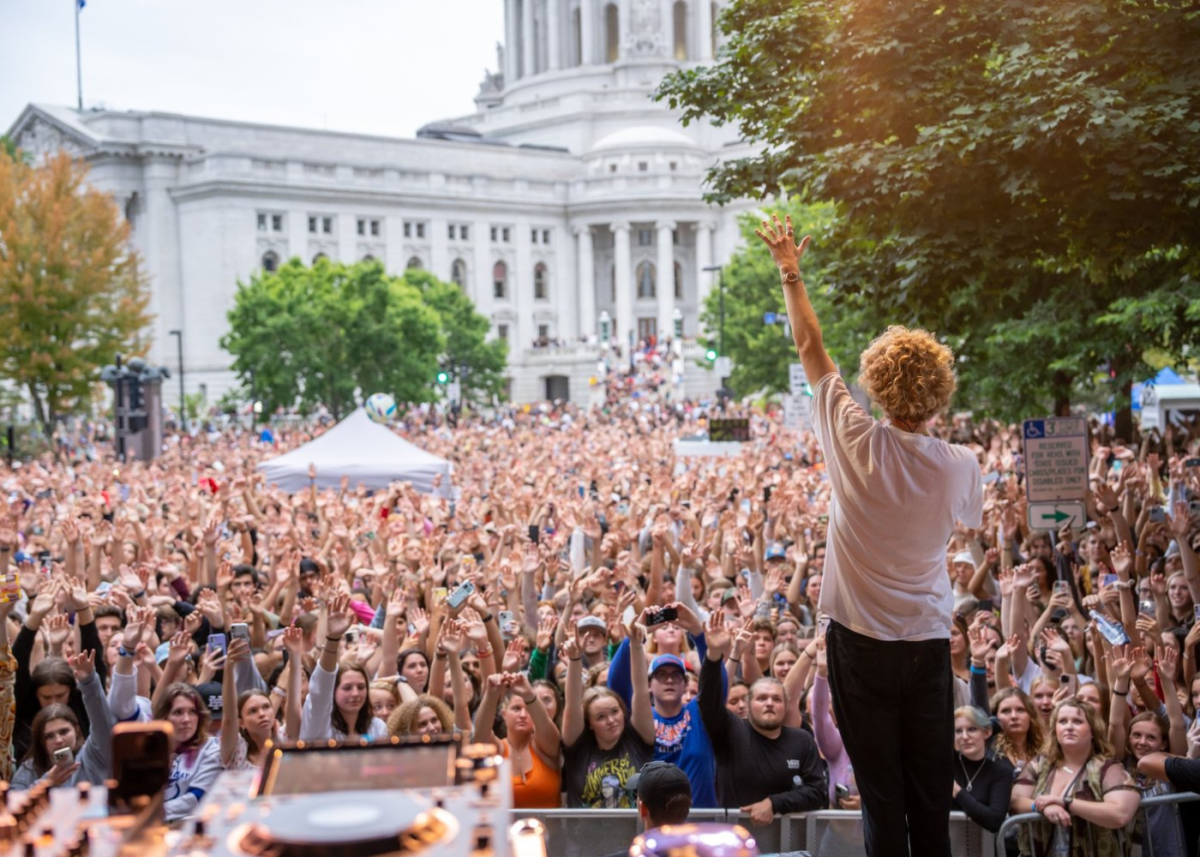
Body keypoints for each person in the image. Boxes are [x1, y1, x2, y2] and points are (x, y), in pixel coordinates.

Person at [757, 214, 982, 856]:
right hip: (929, 639)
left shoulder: (853, 437)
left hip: (858, 643)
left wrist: (789, 270)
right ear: (939, 397)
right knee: (927, 799)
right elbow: (967, 526)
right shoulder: (963, 464)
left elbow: (809, 345)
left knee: (880, 800)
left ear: (876, 385)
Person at [698, 612, 826, 823]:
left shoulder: (802, 740)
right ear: (748, 705)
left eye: (776, 699)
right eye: (762, 698)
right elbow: (708, 702)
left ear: (786, 706)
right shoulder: (730, 731)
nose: (769, 703)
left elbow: (817, 792)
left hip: (787, 848)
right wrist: (713, 655)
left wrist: (774, 804)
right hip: (736, 846)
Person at [608, 601, 720, 808]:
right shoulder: (641, 717)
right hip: (653, 823)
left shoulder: (698, 712)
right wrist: (634, 638)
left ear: (686, 684)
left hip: (699, 824)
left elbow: (716, 682)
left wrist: (698, 632)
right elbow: (615, 687)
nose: (669, 680)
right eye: (661, 675)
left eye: (676, 675)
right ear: (649, 685)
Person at [1010, 698, 1140, 856]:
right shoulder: (1040, 764)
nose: (1069, 727)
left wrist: (1067, 804)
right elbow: (1015, 801)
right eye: (1063, 721)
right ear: (1055, 730)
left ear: (1092, 731)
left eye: (1077, 722)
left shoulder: (1107, 768)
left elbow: (1120, 814)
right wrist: (1043, 807)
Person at [561, 613, 655, 808]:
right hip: (586, 838)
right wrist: (576, 659)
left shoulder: (636, 738)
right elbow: (572, 704)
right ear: (590, 724)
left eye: (615, 712)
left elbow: (641, 692)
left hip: (633, 837)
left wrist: (636, 645)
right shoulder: (578, 748)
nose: (611, 720)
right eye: (601, 717)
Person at [10, 652, 114, 790]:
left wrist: (89, 681)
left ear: (76, 730)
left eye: (64, 731)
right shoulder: (29, 769)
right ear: (41, 740)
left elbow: (102, 724)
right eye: (49, 736)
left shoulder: (93, 755)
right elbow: (12, 804)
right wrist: (46, 784)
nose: (58, 740)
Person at [472, 671, 561, 809]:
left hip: (549, 830)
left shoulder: (545, 747)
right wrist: (491, 695)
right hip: (505, 830)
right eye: (516, 709)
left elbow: (544, 723)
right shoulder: (499, 749)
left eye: (528, 710)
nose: (523, 715)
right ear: (504, 714)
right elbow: (480, 733)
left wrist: (528, 694)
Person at [951, 706, 1013, 834]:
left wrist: (957, 791)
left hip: (984, 849)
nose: (965, 736)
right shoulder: (947, 765)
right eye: (958, 731)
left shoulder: (1000, 772)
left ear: (987, 732)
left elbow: (994, 820)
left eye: (972, 729)